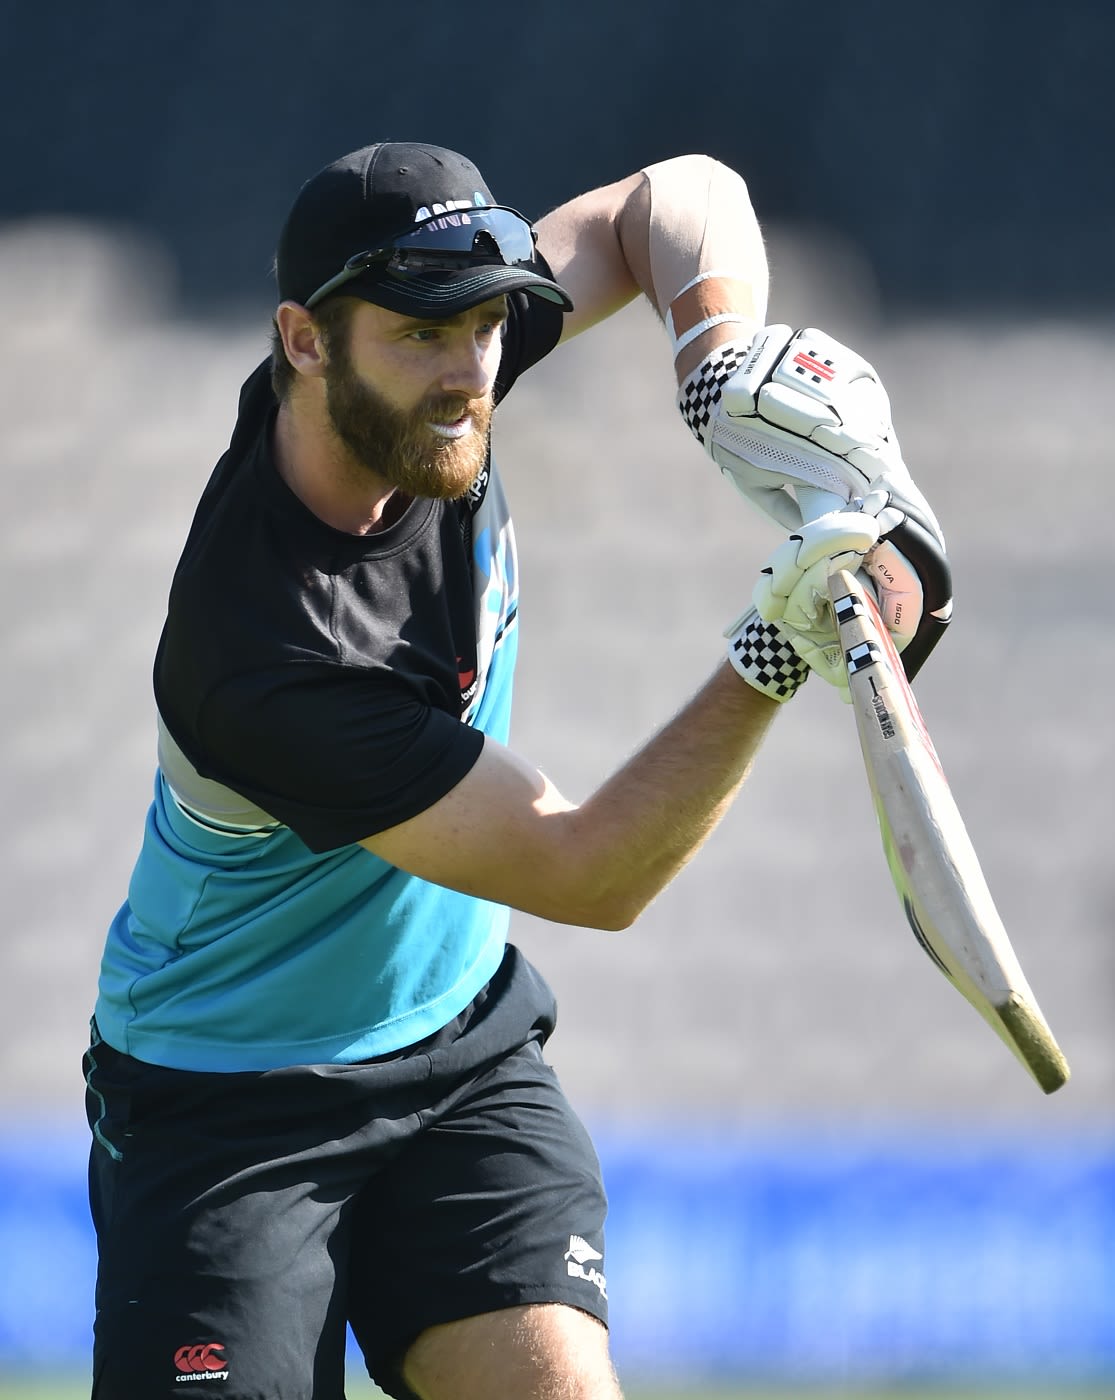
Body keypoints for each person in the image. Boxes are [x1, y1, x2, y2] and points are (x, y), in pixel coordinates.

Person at [83, 141, 950, 1400]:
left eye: (489, 323)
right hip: (228, 1110)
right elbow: (589, 869)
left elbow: (677, 198)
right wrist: (775, 650)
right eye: (425, 333)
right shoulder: (261, 652)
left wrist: (719, 362)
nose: (468, 370)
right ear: (302, 339)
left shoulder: (418, 382)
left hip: (454, 1057)